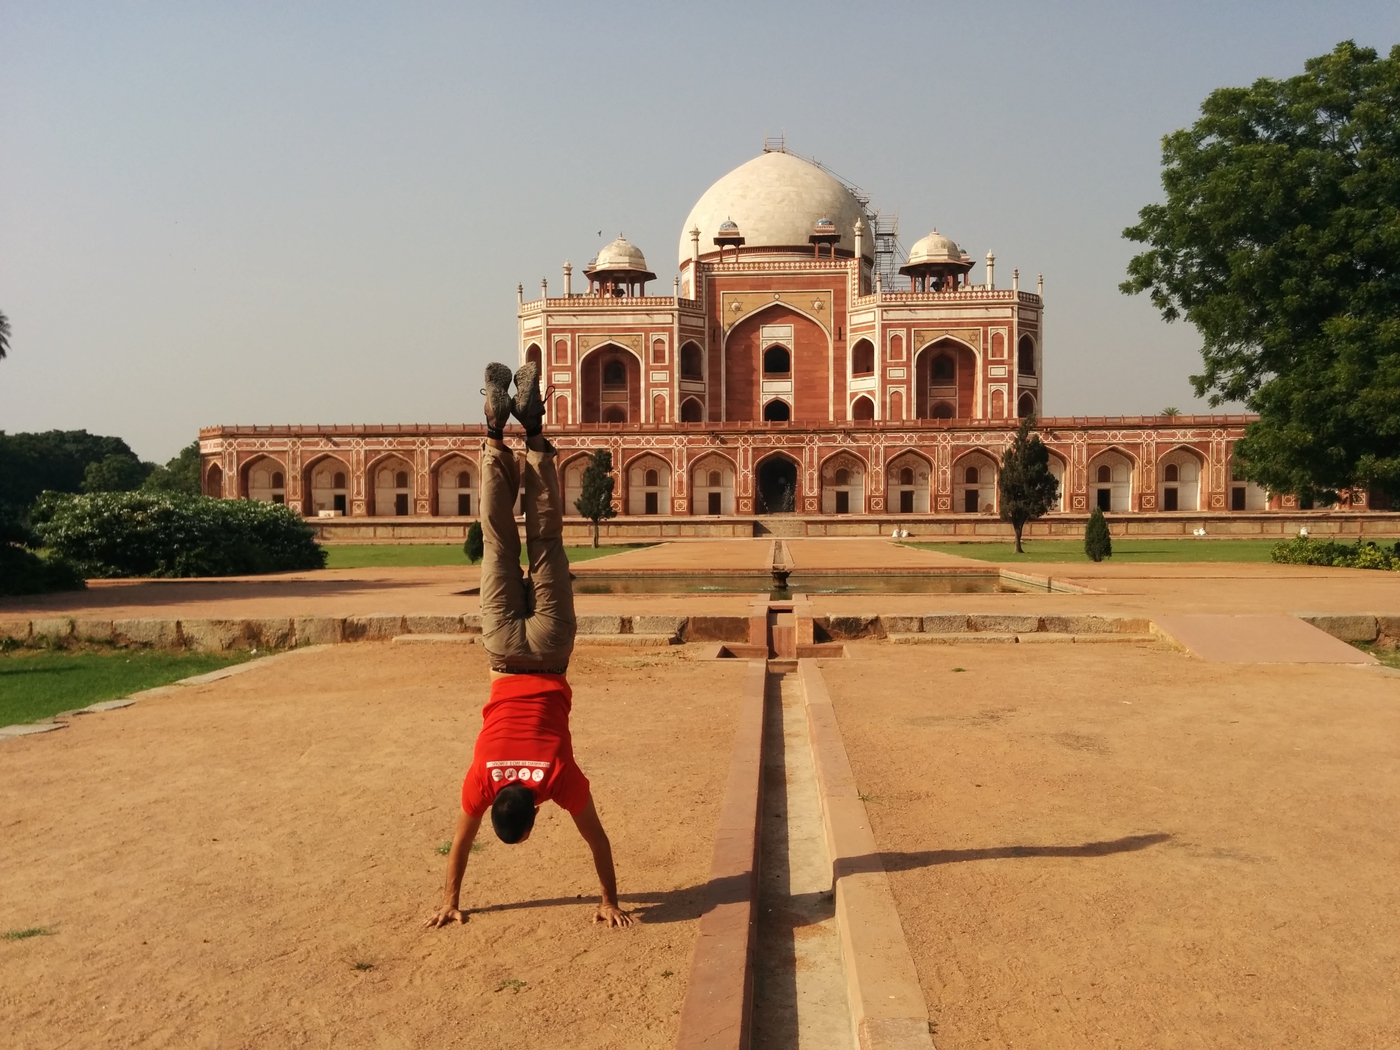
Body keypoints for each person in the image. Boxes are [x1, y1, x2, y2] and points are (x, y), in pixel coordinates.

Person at [425, 361, 632, 930]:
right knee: (500, 538)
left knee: (544, 538)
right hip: (501, 650)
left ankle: (535, 435)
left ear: (532, 810)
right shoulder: (484, 780)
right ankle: (496, 434)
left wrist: (610, 901)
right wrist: (448, 898)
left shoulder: (556, 777)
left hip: (552, 649)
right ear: (496, 801)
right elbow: (459, 845)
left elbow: (598, 840)